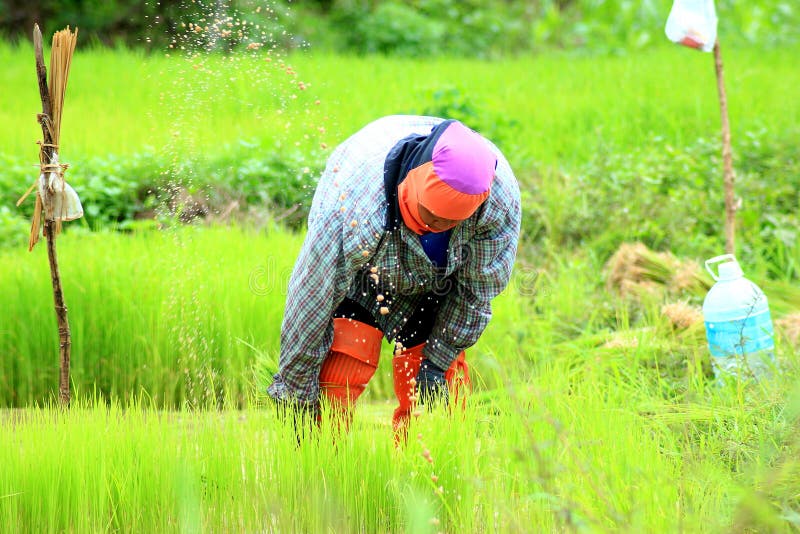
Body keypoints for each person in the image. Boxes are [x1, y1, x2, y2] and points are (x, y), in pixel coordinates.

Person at [267, 115, 521, 435]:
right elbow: (312, 296)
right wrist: (296, 390)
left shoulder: (498, 203)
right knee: (335, 383)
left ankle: (425, 481)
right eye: (429, 215)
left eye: (449, 222)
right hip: (364, 271)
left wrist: (437, 362)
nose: (435, 226)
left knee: (437, 411)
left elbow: (476, 293)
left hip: (440, 279)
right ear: (413, 182)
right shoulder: (354, 207)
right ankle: (320, 473)